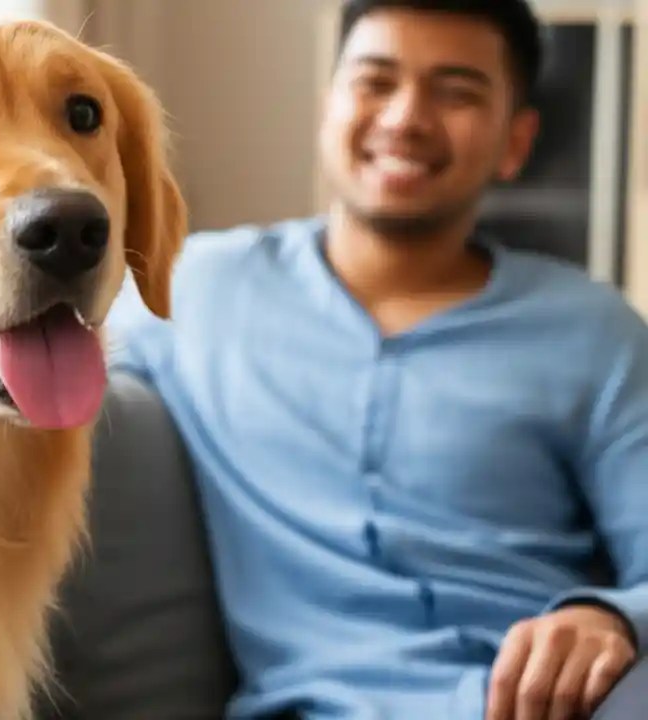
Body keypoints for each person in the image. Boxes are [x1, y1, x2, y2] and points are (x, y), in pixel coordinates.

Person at [104, 1, 648, 718]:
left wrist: (609, 617)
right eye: (376, 81)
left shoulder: (594, 331)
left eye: (456, 92)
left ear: (516, 140)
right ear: (330, 106)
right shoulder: (191, 291)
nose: (406, 118)